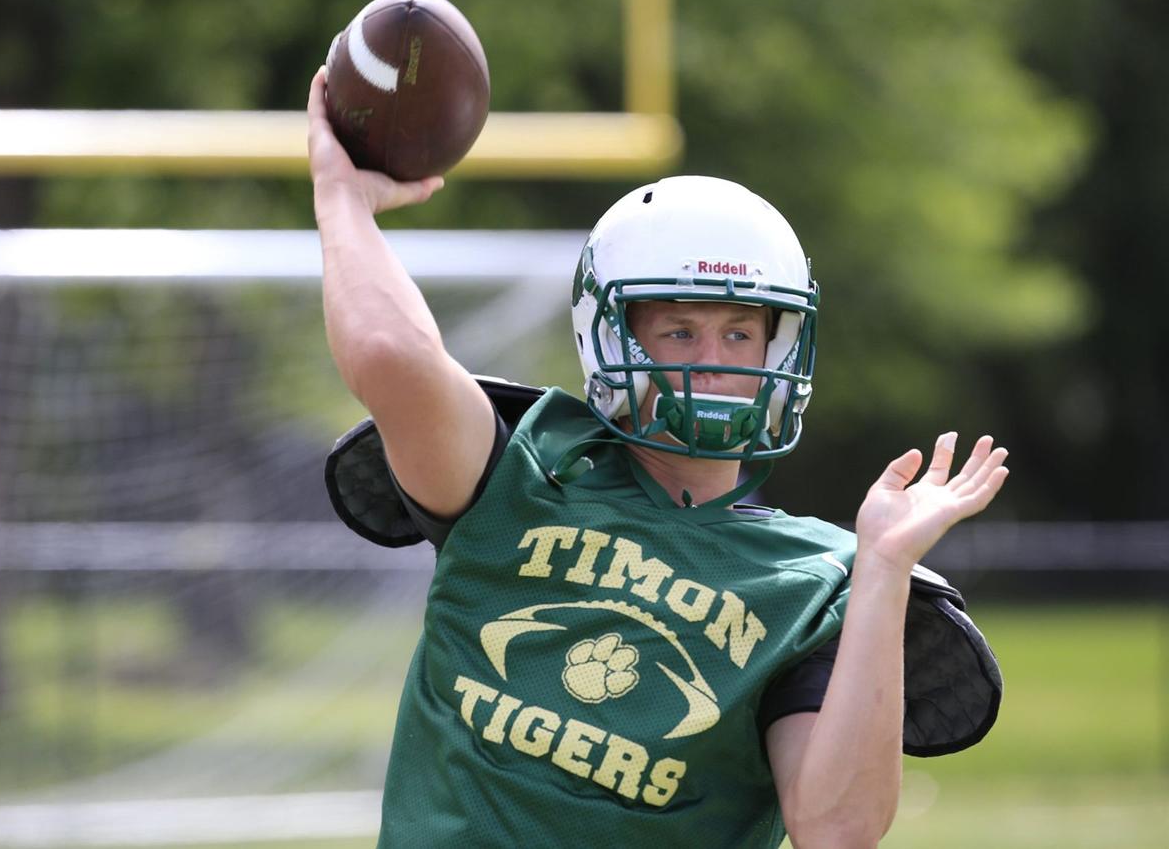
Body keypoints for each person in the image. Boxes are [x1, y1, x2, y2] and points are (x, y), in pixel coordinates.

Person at [307, 67, 1009, 849]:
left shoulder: (811, 584)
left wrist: (882, 568)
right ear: (610, 336)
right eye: (678, 330)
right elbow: (386, 350)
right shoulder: (521, 469)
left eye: (740, 333)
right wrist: (342, 198)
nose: (713, 362)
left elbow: (837, 829)